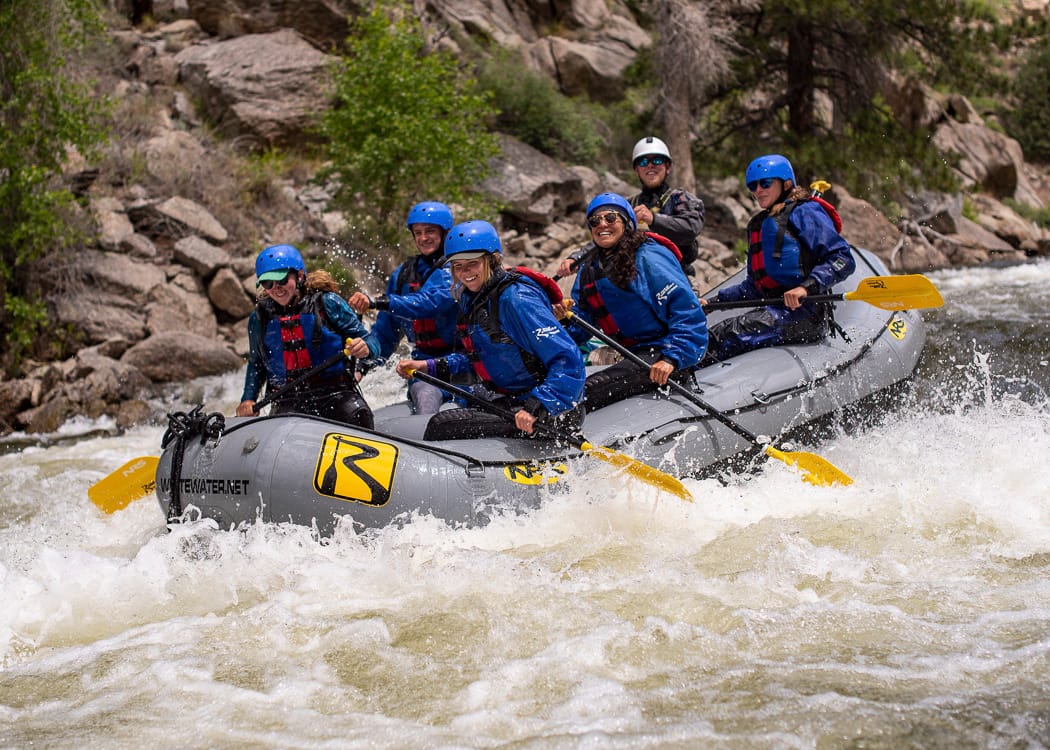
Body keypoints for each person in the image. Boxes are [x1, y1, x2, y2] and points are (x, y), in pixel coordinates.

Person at [396, 220, 586, 441]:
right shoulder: (476, 299)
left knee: (442, 425)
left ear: (492, 261)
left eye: (472, 263)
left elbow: (568, 359)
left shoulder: (517, 299)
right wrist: (426, 366)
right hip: (512, 400)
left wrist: (538, 406)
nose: (464, 272)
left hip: (550, 411)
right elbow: (478, 360)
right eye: (457, 265)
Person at [699, 154, 856, 362]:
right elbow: (753, 289)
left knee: (725, 333)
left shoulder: (805, 212)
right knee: (713, 334)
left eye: (765, 183)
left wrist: (806, 287)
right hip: (777, 309)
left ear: (786, 183)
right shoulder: (761, 224)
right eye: (753, 186)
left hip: (806, 314)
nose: (758, 191)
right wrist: (712, 303)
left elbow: (842, 258)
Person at [564, 193, 708, 412]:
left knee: (587, 391)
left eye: (611, 218)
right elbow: (581, 326)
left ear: (626, 223)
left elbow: (687, 312)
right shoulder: (589, 270)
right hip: (631, 353)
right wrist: (555, 325)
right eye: (595, 221)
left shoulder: (648, 256)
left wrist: (671, 358)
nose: (602, 224)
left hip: (664, 350)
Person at [237, 244, 378, 427]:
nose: (276, 288)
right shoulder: (259, 318)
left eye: (281, 280)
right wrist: (248, 399)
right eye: (267, 283)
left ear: (300, 275)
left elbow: (372, 342)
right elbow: (256, 363)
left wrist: (366, 348)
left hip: (336, 393)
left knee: (359, 415)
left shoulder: (327, 303)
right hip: (288, 399)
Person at [347, 201, 459, 414]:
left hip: (465, 366)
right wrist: (362, 365)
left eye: (430, 231)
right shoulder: (403, 276)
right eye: (418, 233)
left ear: (445, 233)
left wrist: (376, 302)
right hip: (425, 370)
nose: (423, 238)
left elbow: (428, 303)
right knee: (426, 400)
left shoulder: (458, 269)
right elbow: (385, 334)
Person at [557, 136, 704, 279]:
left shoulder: (681, 198)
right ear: (636, 170)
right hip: (633, 280)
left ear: (667, 167)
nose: (650, 165)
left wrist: (654, 219)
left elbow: (691, 229)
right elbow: (605, 234)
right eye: (643, 161)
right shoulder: (625, 206)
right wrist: (576, 258)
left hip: (677, 275)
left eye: (657, 160)